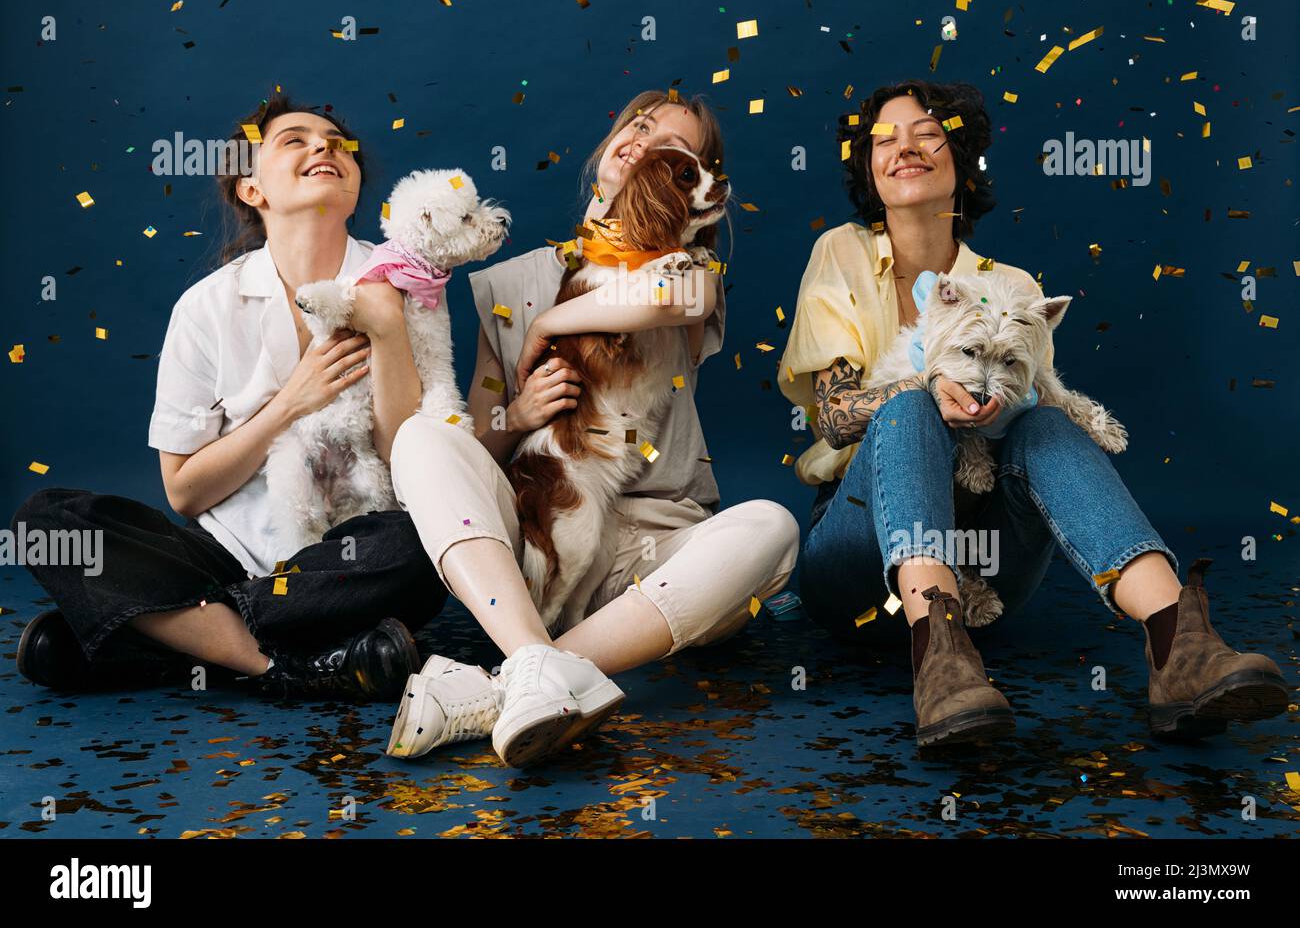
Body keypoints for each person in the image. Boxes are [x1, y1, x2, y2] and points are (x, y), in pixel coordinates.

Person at [777, 79, 1287, 747]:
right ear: (867, 167)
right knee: (905, 411)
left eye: (928, 133)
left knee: (1047, 419)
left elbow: (1035, 408)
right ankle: (938, 652)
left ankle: (1180, 643)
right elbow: (834, 419)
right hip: (857, 556)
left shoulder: (1014, 288)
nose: (906, 147)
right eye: (885, 138)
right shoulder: (839, 252)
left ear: (961, 158)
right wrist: (930, 387)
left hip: (988, 564)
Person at [386, 89, 800, 767]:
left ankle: (514, 676)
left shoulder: (688, 264)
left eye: (677, 147)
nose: (647, 140)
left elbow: (674, 298)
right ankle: (536, 664)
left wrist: (550, 323)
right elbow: (481, 438)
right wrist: (516, 415)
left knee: (773, 532)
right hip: (540, 533)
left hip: (657, 555)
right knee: (421, 439)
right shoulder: (509, 282)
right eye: (639, 124)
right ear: (610, 142)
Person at [13, 94, 447, 701]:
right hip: (226, 551)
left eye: (336, 143)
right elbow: (185, 492)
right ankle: (280, 666)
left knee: (422, 546)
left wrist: (389, 327)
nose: (325, 147)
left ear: (354, 188)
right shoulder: (204, 306)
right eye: (295, 139)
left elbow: (411, 464)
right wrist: (290, 403)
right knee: (51, 518)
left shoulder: (406, 283)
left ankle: (162, 637)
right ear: (252, 190)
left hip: (351, 553)